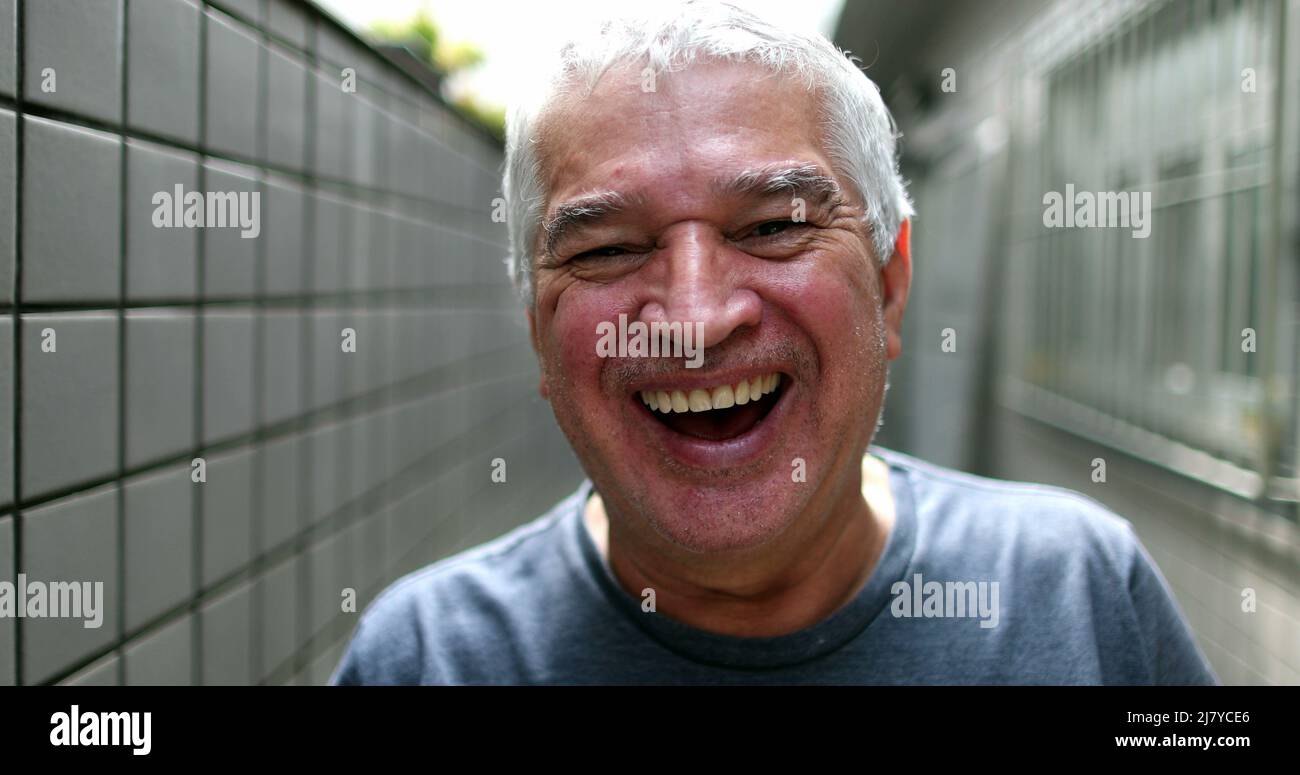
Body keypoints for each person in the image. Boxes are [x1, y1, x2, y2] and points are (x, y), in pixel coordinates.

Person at [332, 1, 1217, 685]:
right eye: (607, 249)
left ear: (890, 284)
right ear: (537, 331)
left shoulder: (1083, 597)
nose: (696, 318)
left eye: (772, 227)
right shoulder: (427, 658)